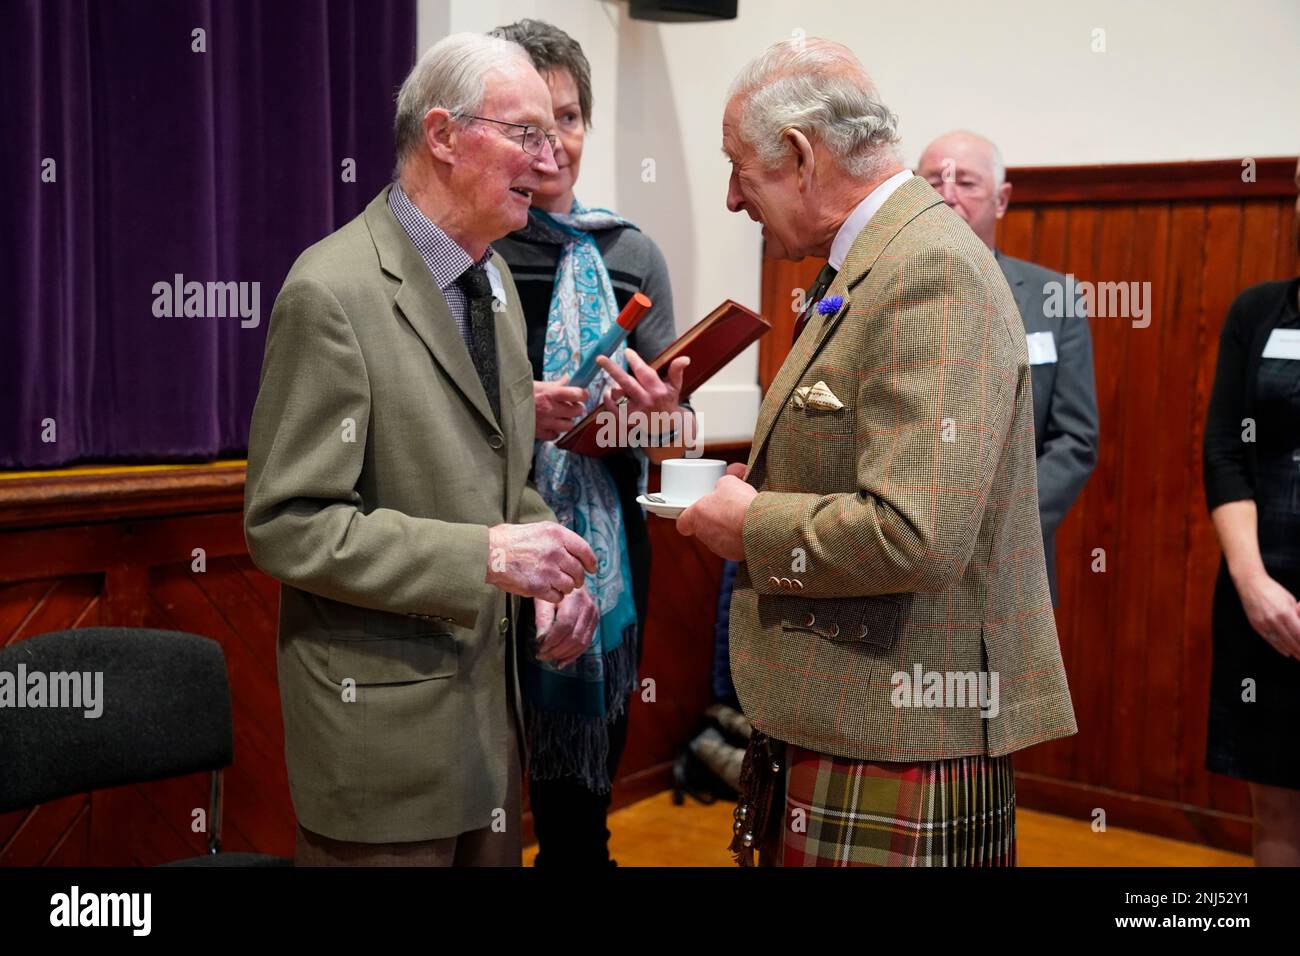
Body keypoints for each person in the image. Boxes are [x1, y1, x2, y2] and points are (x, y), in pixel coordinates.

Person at [680, 38, 1076, 866]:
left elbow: (912, 531)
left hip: (894, 722)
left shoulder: (927, 267)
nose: (730, 198)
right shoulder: (878, 258)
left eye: (736, 168)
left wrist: (753, 523)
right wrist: (780, 487)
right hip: (860, 712)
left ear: (797, 154)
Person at [243, 33, 599, 867]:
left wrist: (552, 576)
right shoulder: (330, 291)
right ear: (442, 135)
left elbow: (505, 479)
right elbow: (287, 527)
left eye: (555, 137)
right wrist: (486, 555)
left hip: (488, 739)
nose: (549, 164)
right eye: (527, 135)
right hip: (382, 748)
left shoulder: (496, 278)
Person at [489, 18, 694, 868]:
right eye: (528, 127)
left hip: (606, 553)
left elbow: (676, 426)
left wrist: (651, 417)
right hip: (489, 544)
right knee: (487, 808)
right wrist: (513, 407)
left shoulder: (631, 252)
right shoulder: (469, 249)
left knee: (579, 823)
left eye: (569, 120)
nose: (553, 146)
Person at [917, 131, 1099, 606]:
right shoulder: (886, 290)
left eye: (967, 183)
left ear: (1001, 200)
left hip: (1014, 569)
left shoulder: (1053, 300)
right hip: (903, 564)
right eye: (934, 181)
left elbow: (1075, 439)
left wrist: (998, 523)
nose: (948, 196)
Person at [1202, 156, 1300, 866]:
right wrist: (1253, 583)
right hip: (1265, 598)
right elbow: (1225, 453)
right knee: (1276, 804)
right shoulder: (1259, 311)